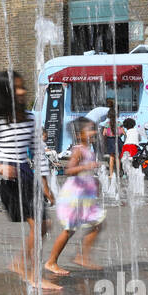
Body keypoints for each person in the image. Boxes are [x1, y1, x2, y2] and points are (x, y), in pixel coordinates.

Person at [0, 73, 59, 292]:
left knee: (43, 225)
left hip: (25, 174)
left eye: (23, 87)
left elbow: (38, 153)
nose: (23, 92)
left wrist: (46, 186)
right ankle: (32, 273)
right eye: (17, 89)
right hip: (4, 177)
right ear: (7, 94)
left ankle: (21, 264)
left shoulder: (32, 118)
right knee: (39, 224)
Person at [46, 117, 106, 275]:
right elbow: (69, 170)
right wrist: (87, 166)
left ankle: (82, 256)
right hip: (74, 195)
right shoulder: (79, 149)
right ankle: (51, 262)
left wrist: (95, 181)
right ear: (80, 135)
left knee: (97, 223)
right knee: (69, 230)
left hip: (84, 195)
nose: (94, 132)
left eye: (94, 129)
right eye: (90, 129)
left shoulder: (88, 149)